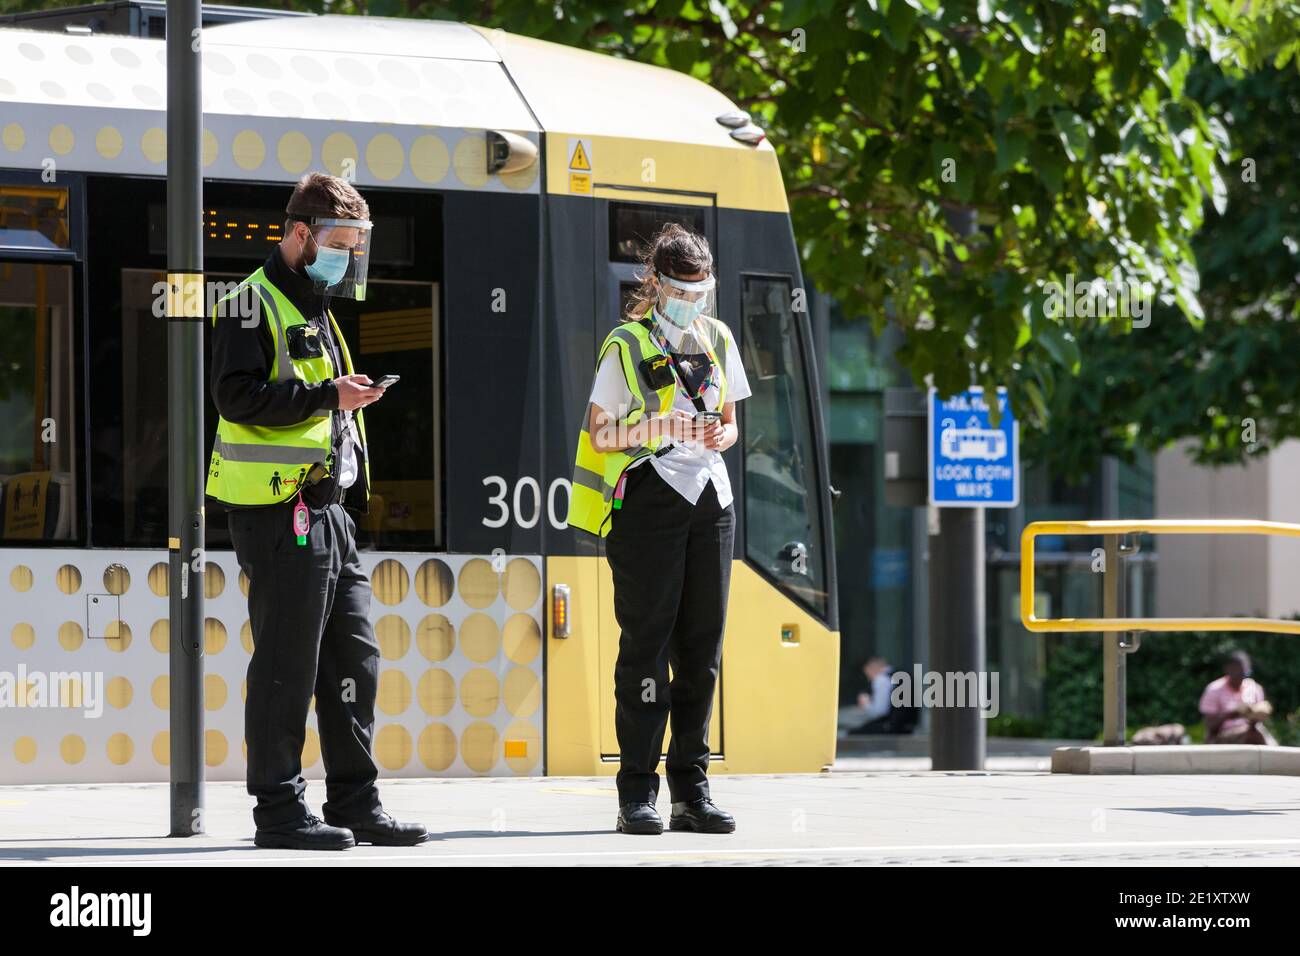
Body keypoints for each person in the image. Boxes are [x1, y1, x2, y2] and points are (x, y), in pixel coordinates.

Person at [206, 171, 427, 850]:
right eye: (338, 245)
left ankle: (355, 802)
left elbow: (317, 397)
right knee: (286, 664)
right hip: (278, 512)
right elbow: (235, 398)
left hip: (328, 512)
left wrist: (343, 398)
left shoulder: (316, 307)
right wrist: (328, 397)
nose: (347, 260)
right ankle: (278, 810)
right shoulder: (251, 303)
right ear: (300, 235)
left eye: (354, 248)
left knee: (353, 661)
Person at [568, 223, 751, 835]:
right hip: (650, 498)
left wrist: (716, 435)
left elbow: (728, 424)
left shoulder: (719, 338)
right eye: (681, 290)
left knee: (702, 648)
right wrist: (659, 430)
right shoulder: (627, 342)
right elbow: (600, 432)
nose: (691, 302)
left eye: (701, 291)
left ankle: (691, 791)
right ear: (656, 283)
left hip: (711, 499)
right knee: (646, 645)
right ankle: (637, 794)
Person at [1199, 650, 1276, 746]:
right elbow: (1210, 727)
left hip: (1252, 732)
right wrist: (1230, 715)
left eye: (1245, 673)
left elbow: (1256, 725)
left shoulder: (1255, 688)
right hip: (1222, 737)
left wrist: (1255, 715)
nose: (1241, 676)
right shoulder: (1214, 689)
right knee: (1253, 736)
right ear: (1227, 669)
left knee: (1267, 742)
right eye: (1237, 672)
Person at [848, 657, 918, 735]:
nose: (869, 679)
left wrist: (866, 704)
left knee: (851, 733)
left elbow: (880, 711)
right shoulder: (902, 674)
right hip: (907, 726)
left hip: (892, 728)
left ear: (872, 668)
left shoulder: (881, 679)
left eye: (868, 674)